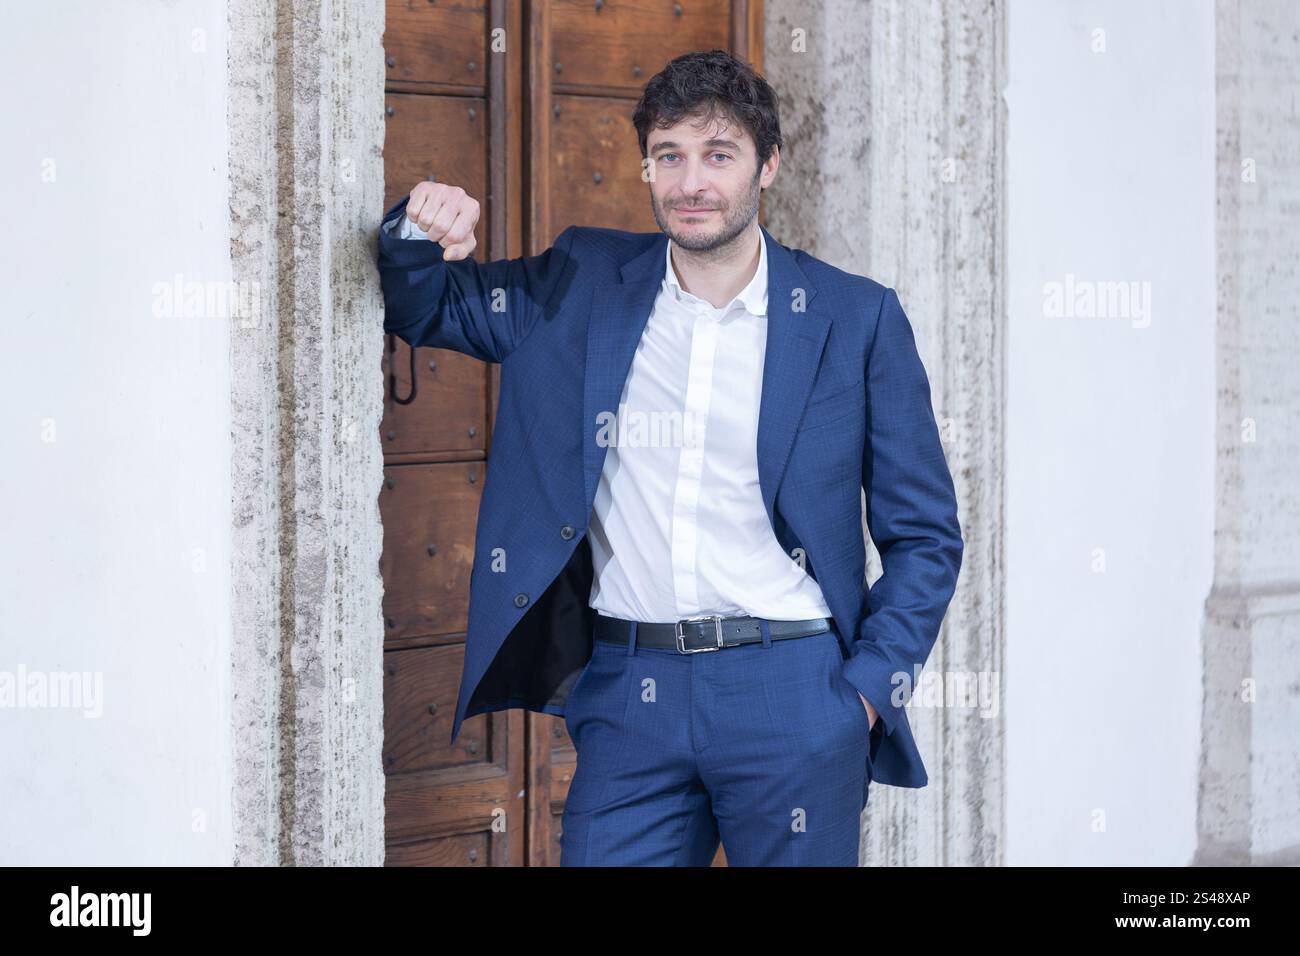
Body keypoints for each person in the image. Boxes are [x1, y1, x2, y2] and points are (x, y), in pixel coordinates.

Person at [376, 49, 963, 866]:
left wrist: (863, 696)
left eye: (718, 155)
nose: (692, 182)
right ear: (646, 165)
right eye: (669, 155)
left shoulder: (854, 319)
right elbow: (427, 307)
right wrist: (418, 228)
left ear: (768, 166)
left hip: (794, 690)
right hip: (628, 697)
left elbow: (927, 535)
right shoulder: (581, 283)